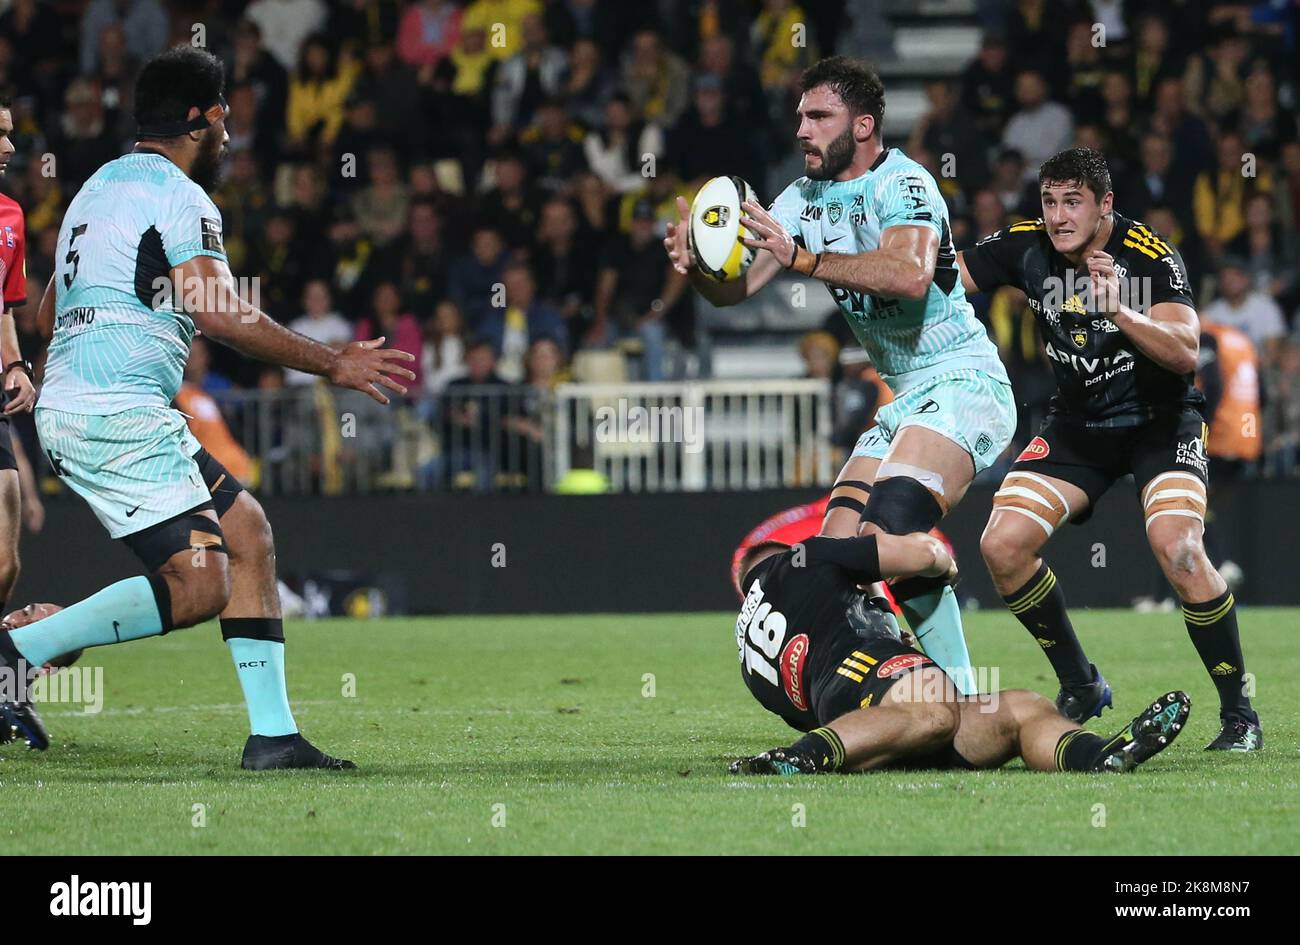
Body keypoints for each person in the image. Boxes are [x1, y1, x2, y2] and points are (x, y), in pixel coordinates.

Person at [0, 47, 414, 765]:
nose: (228, 138)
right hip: (113, 412)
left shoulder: (94, 190)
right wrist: (331, 360)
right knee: (199, 584)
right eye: (225, 124)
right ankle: (17, 651)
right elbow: (220, 313)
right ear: (206, 120)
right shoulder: (182, 197)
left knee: (245, 531)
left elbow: (43, 314)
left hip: (86, 403)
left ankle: (274, 736)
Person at [666, 56, 1018, 696]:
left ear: (862, 126)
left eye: (818, 116)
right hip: (904, 398)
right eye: (800, 115)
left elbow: (911, 277)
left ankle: (953, 633)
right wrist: (698, 270)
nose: (801, 129)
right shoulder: (800, 199)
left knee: (884, 536)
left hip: (963, 383)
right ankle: (914, 693)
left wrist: (803, 257)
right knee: (838, 557)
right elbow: (739, 289)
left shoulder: (905, 184)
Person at [959, 147, 1261, 751]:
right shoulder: (1025, 245)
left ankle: (1239, 715)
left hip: (1159, 421)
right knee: (1001, 545)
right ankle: (1082, 683)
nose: (1058, 216)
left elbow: (1183, 352)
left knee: (1178, 549)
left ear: (1106, 206)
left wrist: (1119, 309)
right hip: (1078, 426)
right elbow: (939, 277)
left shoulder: (1149, 257)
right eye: (1049, 201)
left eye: (1073, 202)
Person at [730, 538, 1191, 775]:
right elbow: (918, 552)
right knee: (934, 712)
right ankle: (802, 758)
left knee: (1021, 709)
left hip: (862, 722)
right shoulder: (806, 555)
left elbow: (809, 705)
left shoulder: (748, 656)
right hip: (865, 665)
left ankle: (1097, 756)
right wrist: (943, 567)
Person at [0, 101, 39, 639]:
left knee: (6, 562)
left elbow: (3, 306)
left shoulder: (11, 216)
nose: (9, 147)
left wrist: (15, 365)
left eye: (9, 134)